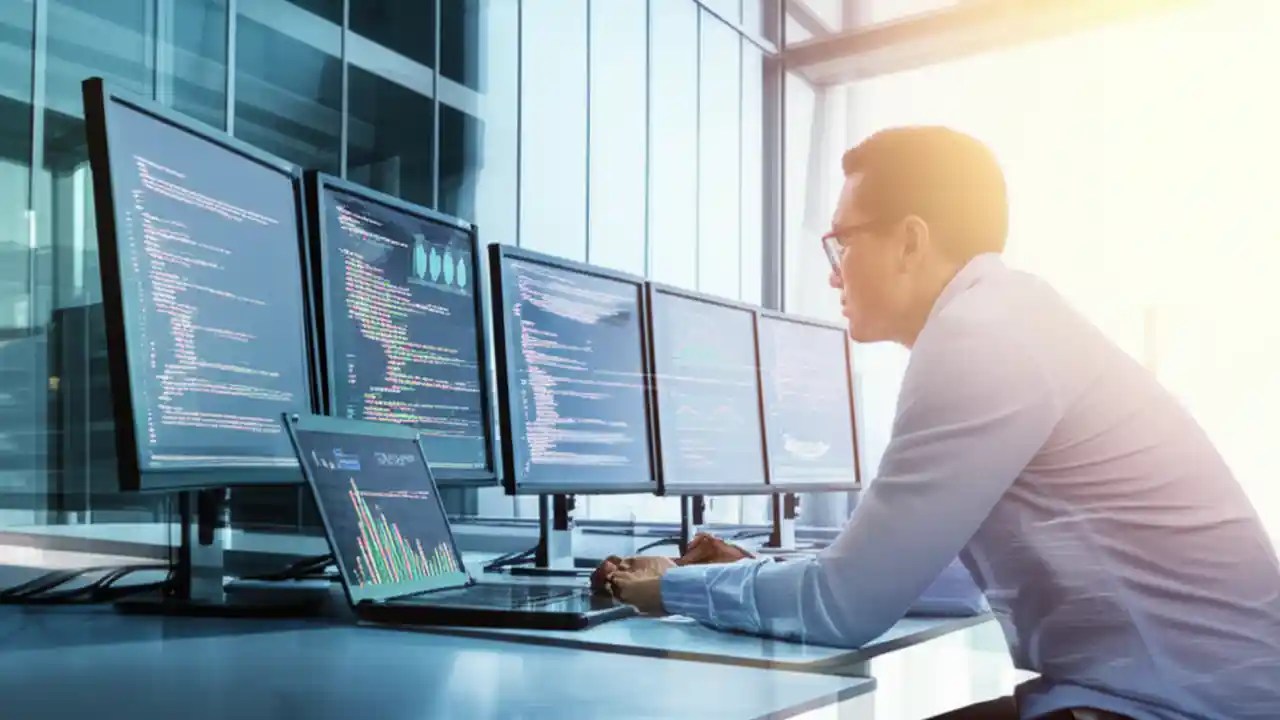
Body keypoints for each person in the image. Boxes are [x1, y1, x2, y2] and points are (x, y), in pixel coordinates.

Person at [596, 127, 1280, 719]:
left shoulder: (980, 337)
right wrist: (762, 570)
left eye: (842, 242)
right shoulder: (1012, 316)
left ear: (910, 241)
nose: (834, 273)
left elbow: (845, 609)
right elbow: (948, 581)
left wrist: (666, 586)